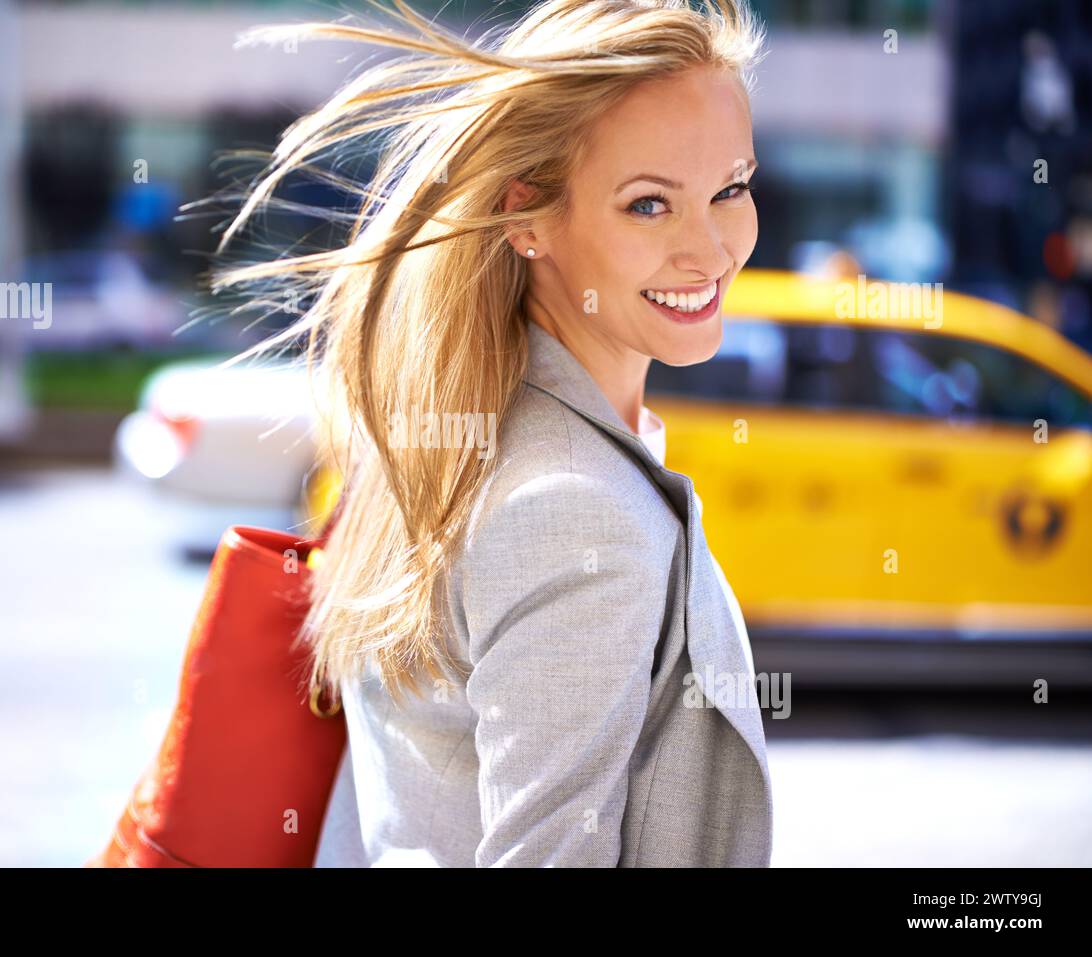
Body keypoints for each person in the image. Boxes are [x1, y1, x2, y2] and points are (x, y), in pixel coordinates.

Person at [213, 0, 772, 867]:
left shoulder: (445, 437)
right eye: (649, 205)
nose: (710, 247)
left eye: (730, 188)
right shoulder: (574, 510)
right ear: (528, 218)